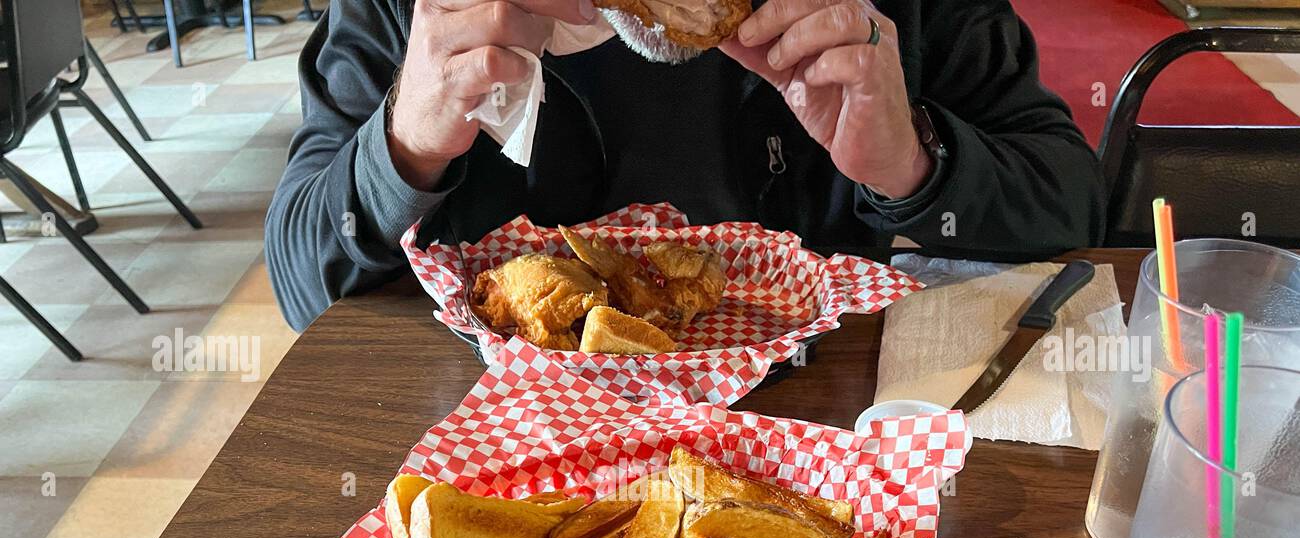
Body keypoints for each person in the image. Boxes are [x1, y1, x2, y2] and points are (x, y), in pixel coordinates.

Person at [266, 0, 1106, 331]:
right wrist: (404, 142)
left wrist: (914, 165)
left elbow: (1070, 204)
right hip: (508, 463)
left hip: (823, 447)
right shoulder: (413, 8)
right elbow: (302, 282)